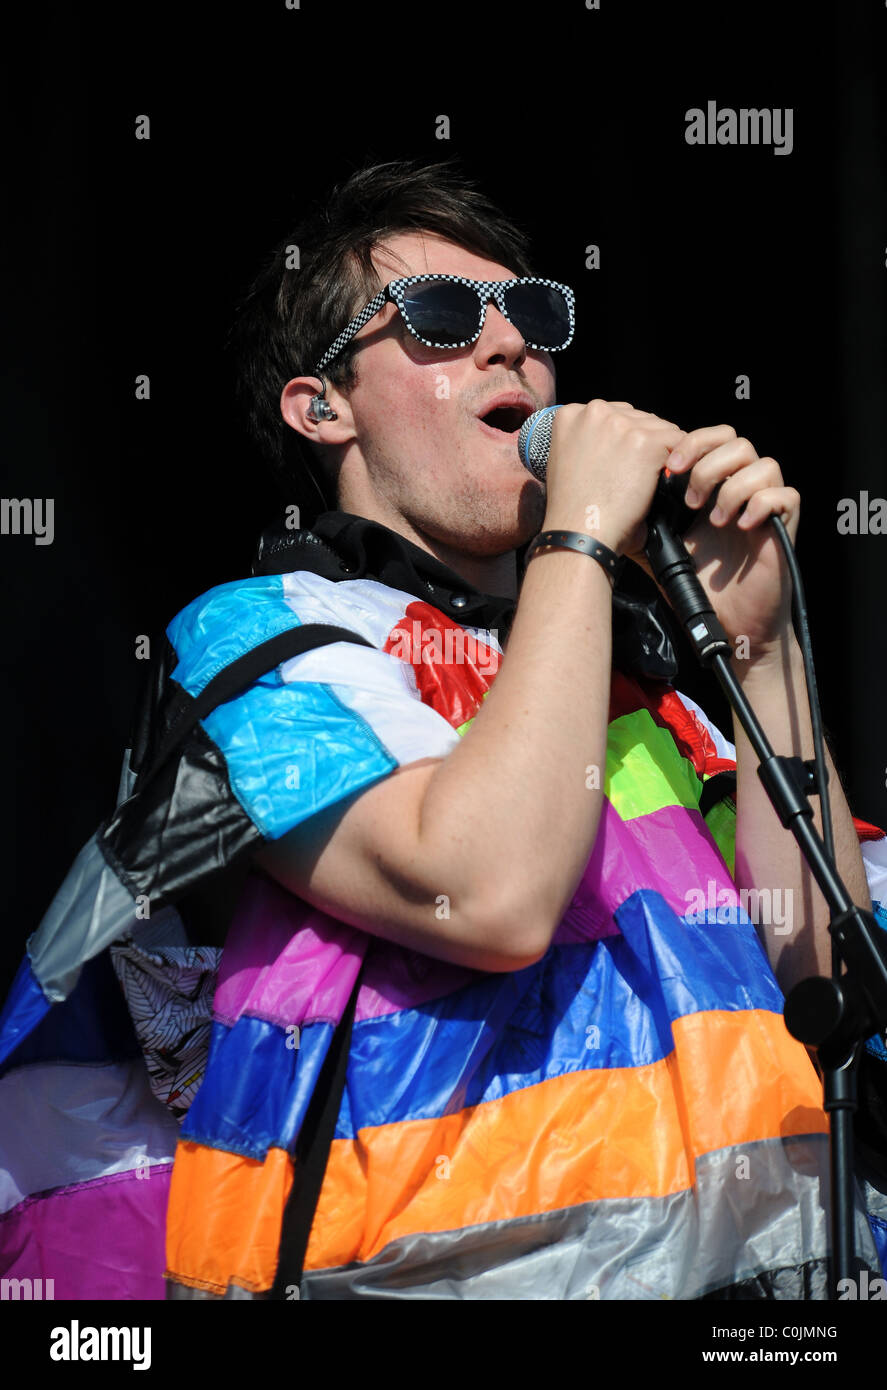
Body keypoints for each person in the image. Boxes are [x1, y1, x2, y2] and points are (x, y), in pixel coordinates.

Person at [2, 159, 886, 1301]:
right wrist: (576, 539)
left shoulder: (634, 683)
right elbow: (486, 892)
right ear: (322, 407)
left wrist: (762, 656)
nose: (509, 343)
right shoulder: (262, 636)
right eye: (438, 315)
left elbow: (826, 976)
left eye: (532, 313)